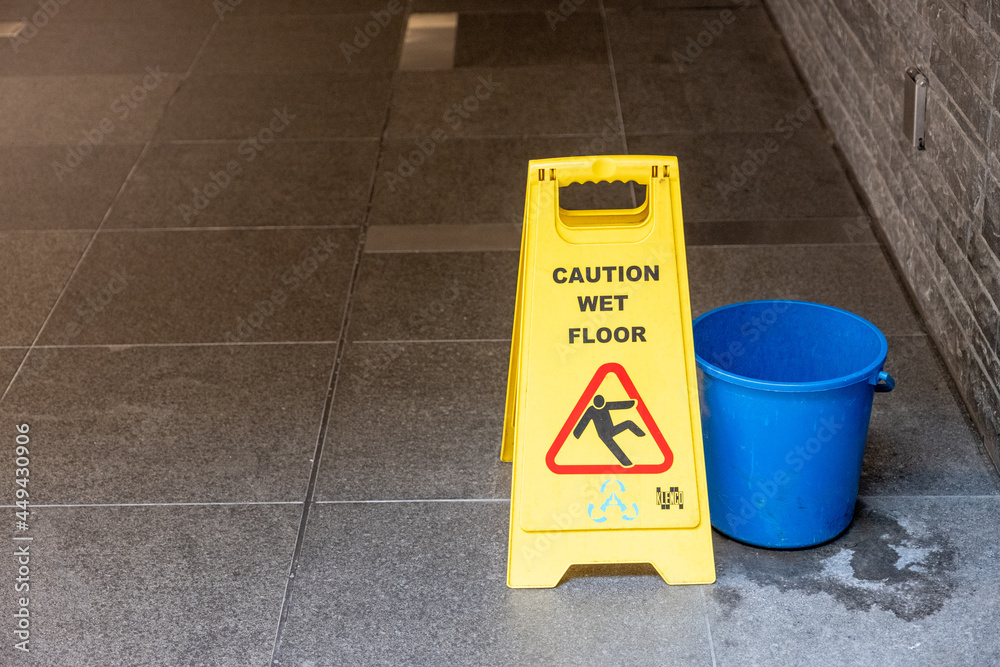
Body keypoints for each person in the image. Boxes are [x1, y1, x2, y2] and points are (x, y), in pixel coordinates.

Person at [572, 395, 646, 467]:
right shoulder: (591, 410)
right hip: (604, 435)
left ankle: (641, 435)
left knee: (628, 423)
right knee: (616, 448)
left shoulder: (604, 406)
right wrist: (576, 434)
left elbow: (620, 405)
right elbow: (582, 423)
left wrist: (631, 403)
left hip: (611, 430)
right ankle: (627, 463)